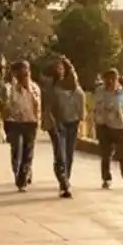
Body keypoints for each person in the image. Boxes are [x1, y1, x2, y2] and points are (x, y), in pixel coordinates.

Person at [42, 57, 85, 199]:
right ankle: (64, 182)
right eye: (56, 68)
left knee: (69, 154)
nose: (59, 70)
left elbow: (81, 98)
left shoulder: (73, 84)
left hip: (73, 122)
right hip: (57, 124)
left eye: (61, 67)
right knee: (60, 154)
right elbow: (47, 106)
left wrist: (81, 116)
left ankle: (66, 179)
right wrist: (49, 121)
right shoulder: (50, 86)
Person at [1, 60, 43, 192]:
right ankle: (18, 172)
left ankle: (23, 178)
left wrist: (28, 90)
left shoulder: (35, 88)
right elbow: (5, 106)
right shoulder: (10, 88)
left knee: (27, 152)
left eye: (26, 71)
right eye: (21, 72)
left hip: (30, 123)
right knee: (17, 150)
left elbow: (38, 106)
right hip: (14, 123)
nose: (25, 74)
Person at [93, 68, 123, 191]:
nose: (110, 82)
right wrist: (95, 121)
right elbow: (95, 108)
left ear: (117, 80)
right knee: (105, 154)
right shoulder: (99, 91)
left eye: (113, 79)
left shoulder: (121, 94)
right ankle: (106, 178)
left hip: (118, 127)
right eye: (108, 79)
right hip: (103, 126)